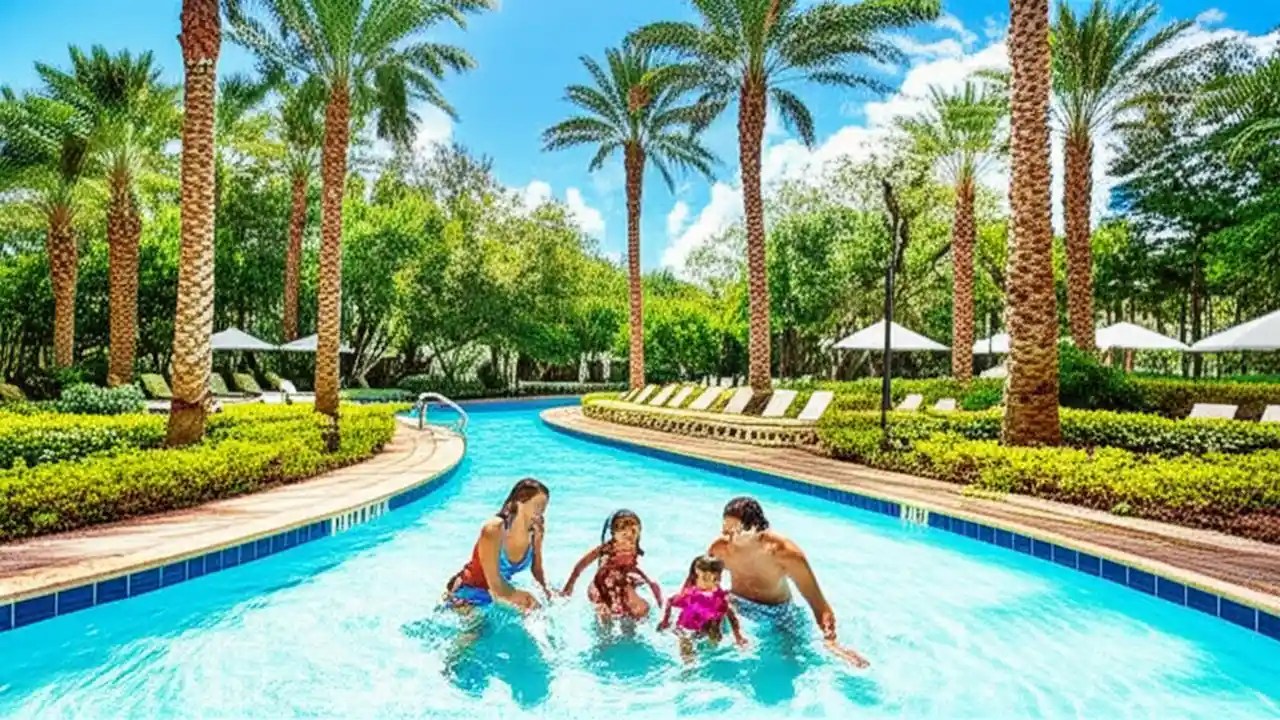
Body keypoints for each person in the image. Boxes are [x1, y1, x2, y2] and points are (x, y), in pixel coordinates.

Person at [708, 496, 870, 668]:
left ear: (755, 528)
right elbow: (700, 584)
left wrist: (831, 640)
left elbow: (818, 604)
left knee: (798, 658)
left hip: (779, 614)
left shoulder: (785, 553)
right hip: (738, 606)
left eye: (735, 531)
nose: (728, 537)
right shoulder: (720, 549)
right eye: (725, 529)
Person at [443, 477, 554, 612]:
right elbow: (495, 585)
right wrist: (526, 598)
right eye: (538, 507)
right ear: (520, 501)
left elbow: (536, 569)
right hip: (468, 593)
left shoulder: (535, 532)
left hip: (498, 594)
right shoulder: (494, 529)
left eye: (544, 508)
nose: (541, 514)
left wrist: (547, 592)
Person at [562, 509, 663, 620]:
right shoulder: (608, 548)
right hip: (602, 584)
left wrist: (647, 582)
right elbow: (582, 564)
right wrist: (569, 585)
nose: (629, 535)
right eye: (623, 531)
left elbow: (631, 568)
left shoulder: (633, 547)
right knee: (608, 615)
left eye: (633, 531)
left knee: (642, 611)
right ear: (613, 533)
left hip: (622, 579)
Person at [657, 554, 747, 662]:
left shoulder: (715, 591)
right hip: (693, 618)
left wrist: (738, 636)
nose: (711, 584)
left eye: (716, 579)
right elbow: (670, 601)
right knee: (685, 637)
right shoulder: (689, 593)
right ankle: (689, 662)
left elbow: (729, 612)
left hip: (710, 615)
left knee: (715, 635)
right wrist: (665, 621)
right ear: (698, 573)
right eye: (706, 579)